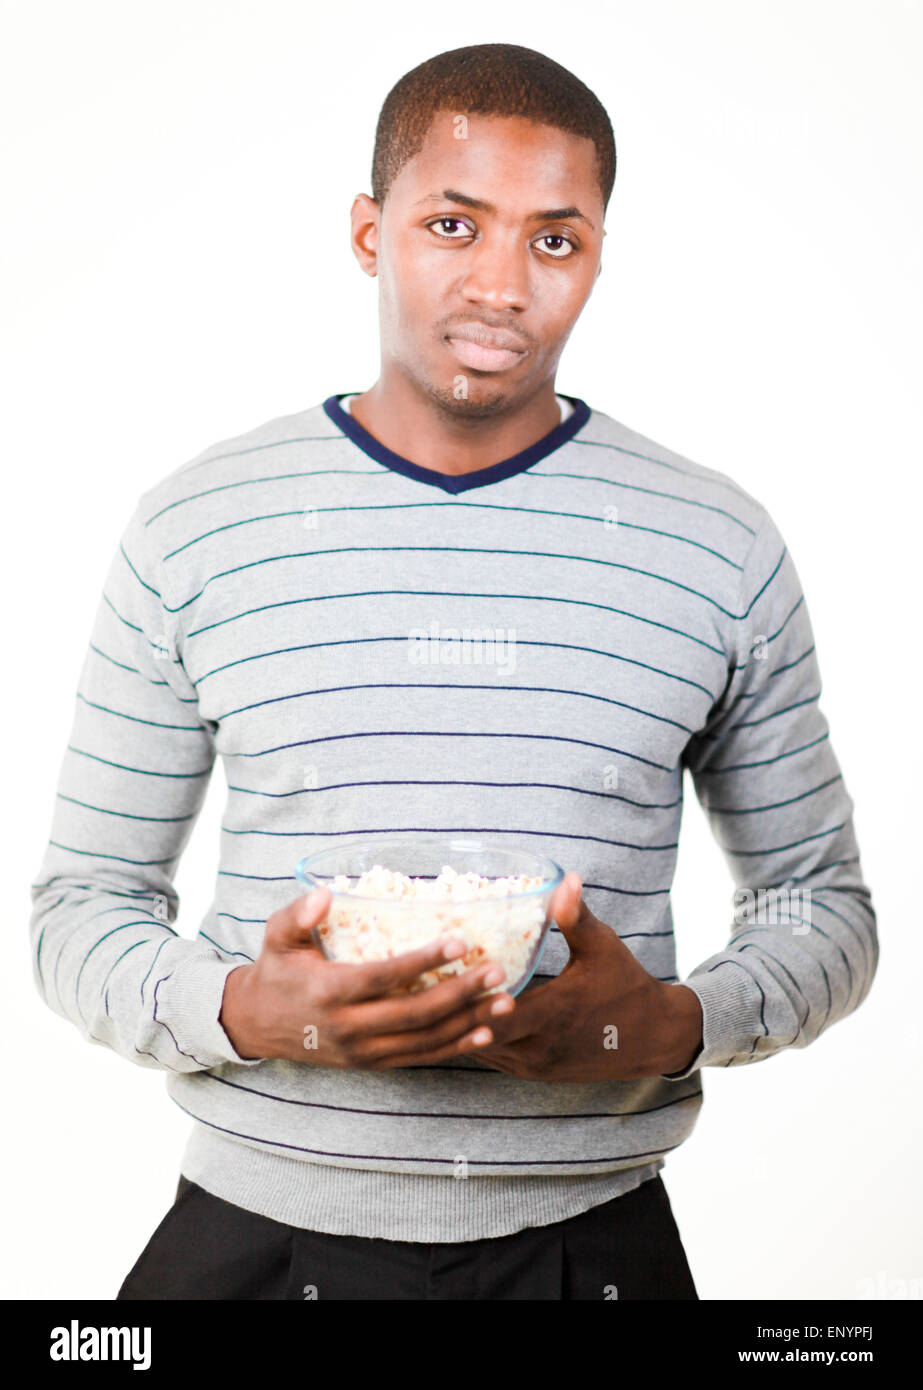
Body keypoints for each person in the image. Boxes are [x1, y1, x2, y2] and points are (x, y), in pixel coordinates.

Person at [29, 42, 878, 1301]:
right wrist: (254, 1012)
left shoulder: (717, 545)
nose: (499, 284)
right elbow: (79, 906)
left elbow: (821, 907)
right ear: (370, 234)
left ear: (596, 256)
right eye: (451, 222)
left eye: (553, 239)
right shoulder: (195, 528)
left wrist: (671, 1021)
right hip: (253, 1244)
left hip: (593, 1248)